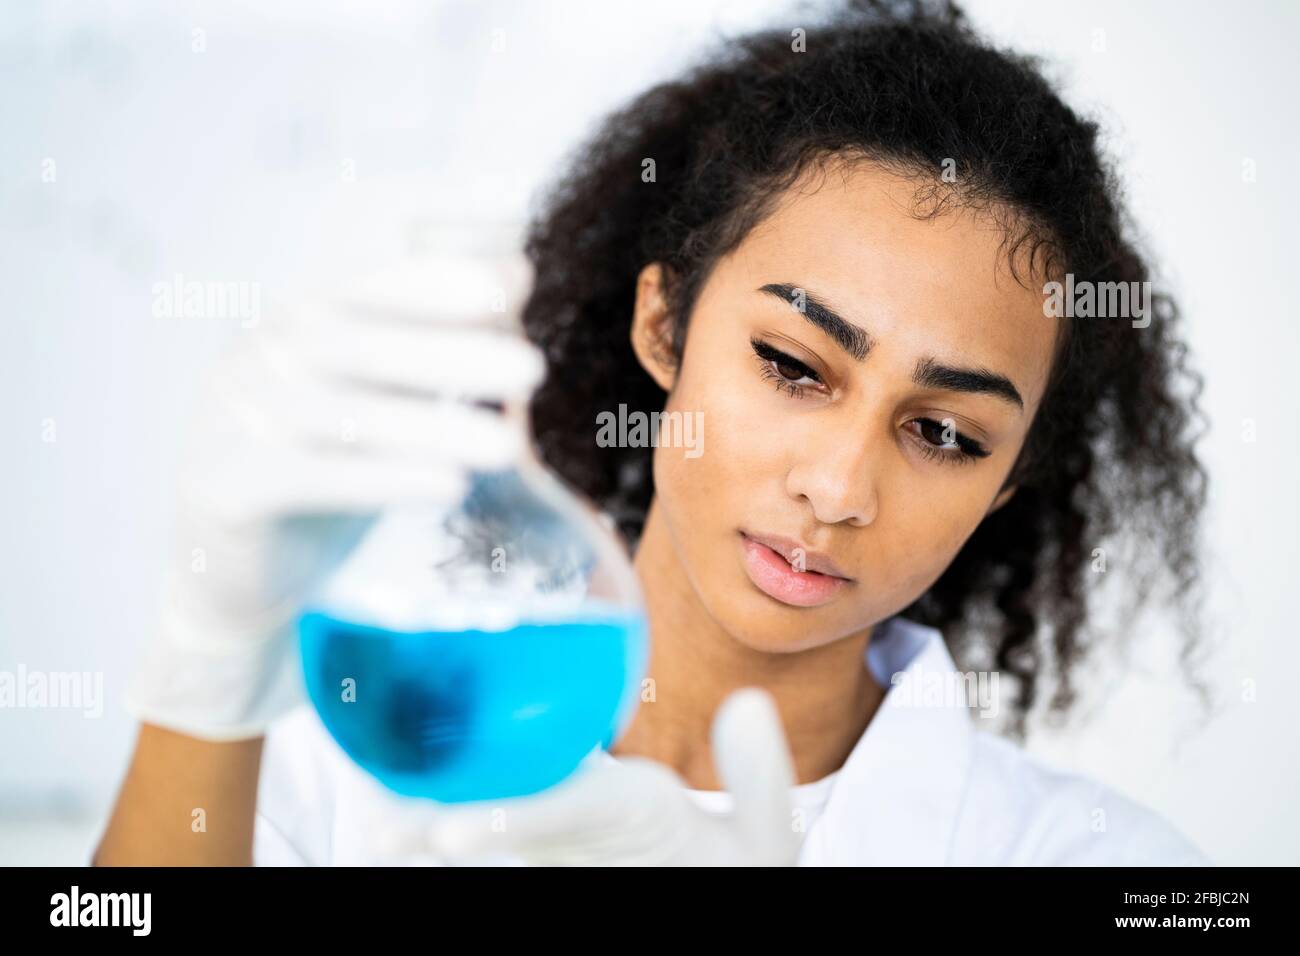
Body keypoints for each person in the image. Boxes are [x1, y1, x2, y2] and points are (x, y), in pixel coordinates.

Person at [95, 0, 1211, 866]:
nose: (835, 485)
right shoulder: (331, 762)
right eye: (790, 364)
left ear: (1005, 483)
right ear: (664, 325)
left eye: (945, 433)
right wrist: (203, 675)